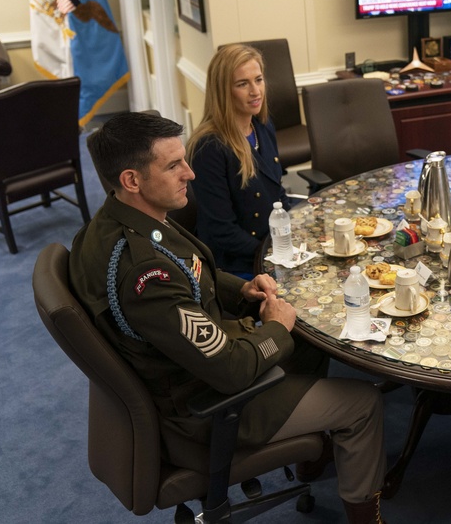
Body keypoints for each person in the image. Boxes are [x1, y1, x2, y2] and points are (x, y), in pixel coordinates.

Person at [71, 112, 388, 523]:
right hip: (206, 406)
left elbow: (190, 269)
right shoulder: (144, 274)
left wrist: (241, 291)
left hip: (193, 367)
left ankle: (315, 454)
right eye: (173, 166)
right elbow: (231, 369)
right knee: (362, 402)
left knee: (306, 338)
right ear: (132, 180)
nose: (189, 173)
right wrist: (275, 327)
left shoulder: (121, 220)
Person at [185, 44, 288, 278]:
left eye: (258, 80)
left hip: (272, 247)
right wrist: (272, 254)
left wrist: (294, 234)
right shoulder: (208, 147)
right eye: (243, 84)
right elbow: (221, 230)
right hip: (238, 264)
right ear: (223, 91)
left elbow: (276, 192)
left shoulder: (262, 125)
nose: (255, 91)